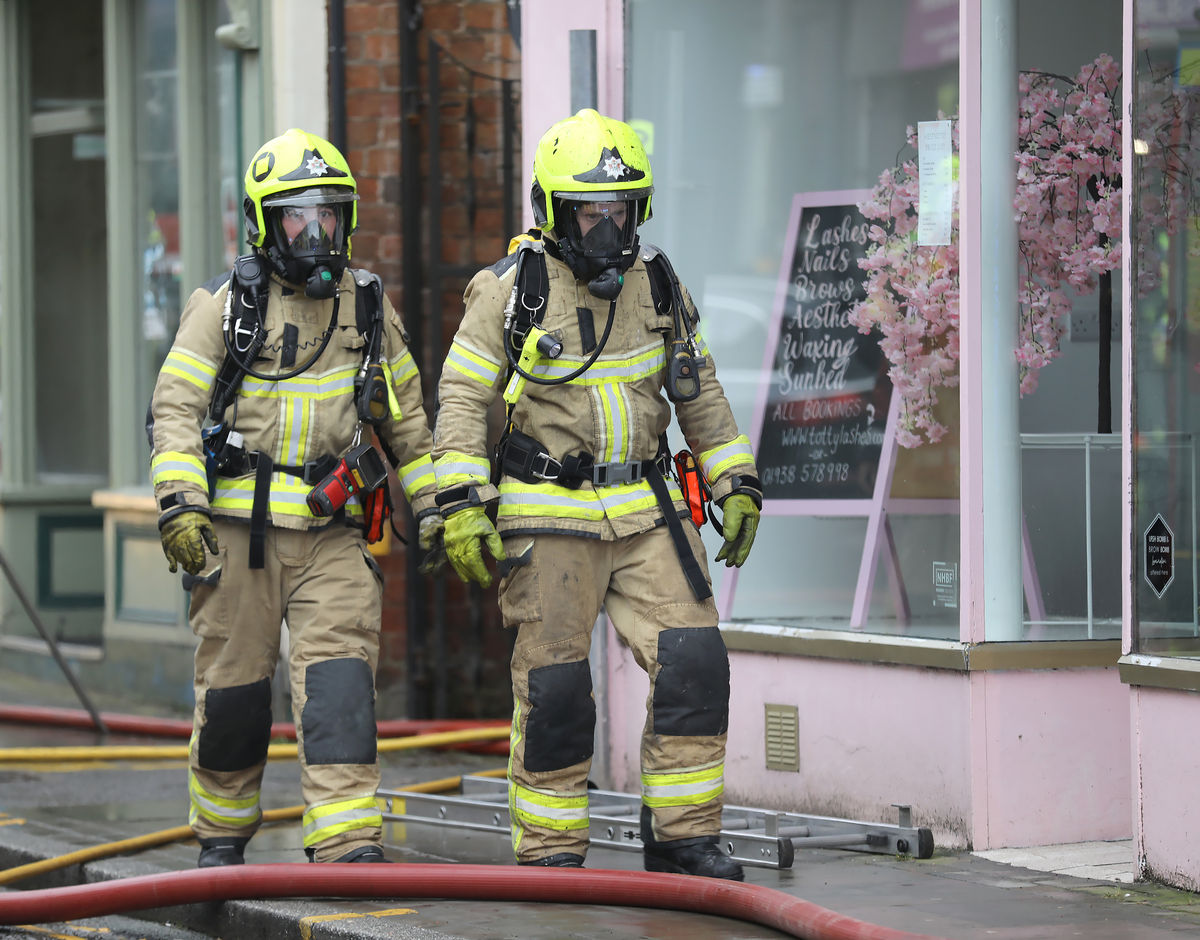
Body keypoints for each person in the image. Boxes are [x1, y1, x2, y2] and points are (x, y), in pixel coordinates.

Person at [432, 109, 761, 880]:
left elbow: (699, 392)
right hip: (547, 516)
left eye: (622, 212)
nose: (610, 231)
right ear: (554, 211)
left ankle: (683, 837)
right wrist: (460, 504)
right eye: (592, 214)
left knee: (694, 661)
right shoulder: (510, 292)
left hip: (647, 511)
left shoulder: (658, 282)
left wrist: (733, 480)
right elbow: (462, 401)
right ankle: (551, 851)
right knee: (555, 690)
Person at [149, 128, 442, 866]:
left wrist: (439, 507)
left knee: (341, 686)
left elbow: (408, 422)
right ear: (262, 222)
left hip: (334, 533)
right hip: (237, 535)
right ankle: (221, 836)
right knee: (236, 697)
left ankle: (347, 842)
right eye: (295, 217)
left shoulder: (368, 306)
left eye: (328, 215)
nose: (315, 232)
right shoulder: (224, 309)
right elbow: (175, 410)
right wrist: (181, 502)